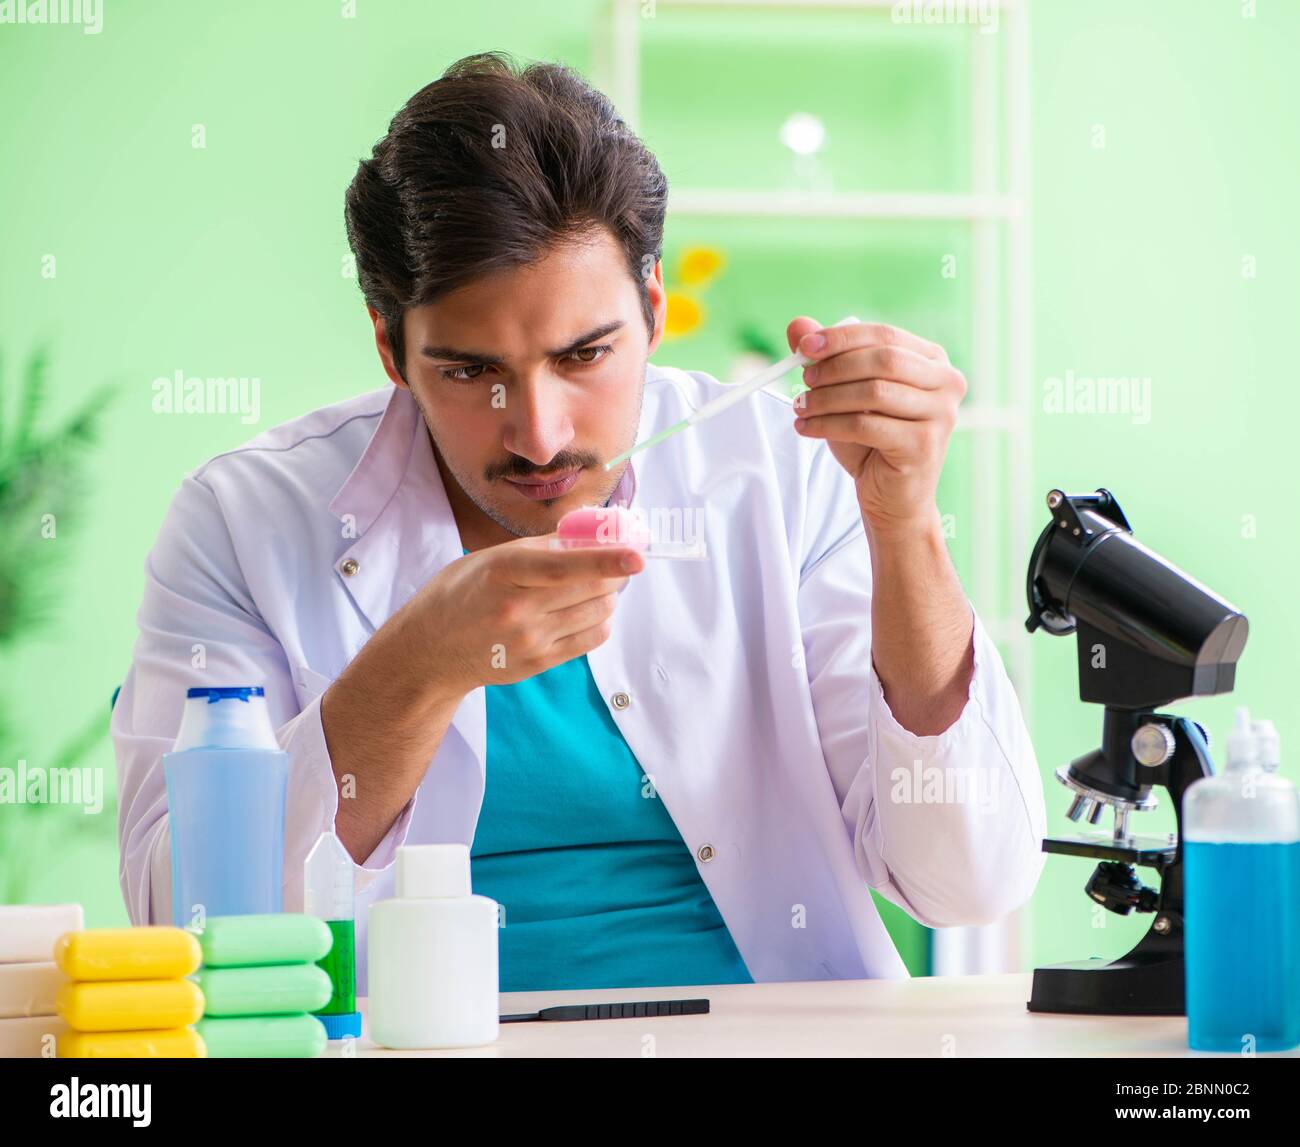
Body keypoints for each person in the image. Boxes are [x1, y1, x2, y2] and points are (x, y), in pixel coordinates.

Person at [113, 51, 1046, 992]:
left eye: (586, 354)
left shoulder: (787, 473)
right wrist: (418, 665)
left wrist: (906, 524)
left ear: (652, 307)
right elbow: (188, 925)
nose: (539, 434)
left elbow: (968, 879)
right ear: (391, 349)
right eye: (472, 372)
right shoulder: (240, 521)